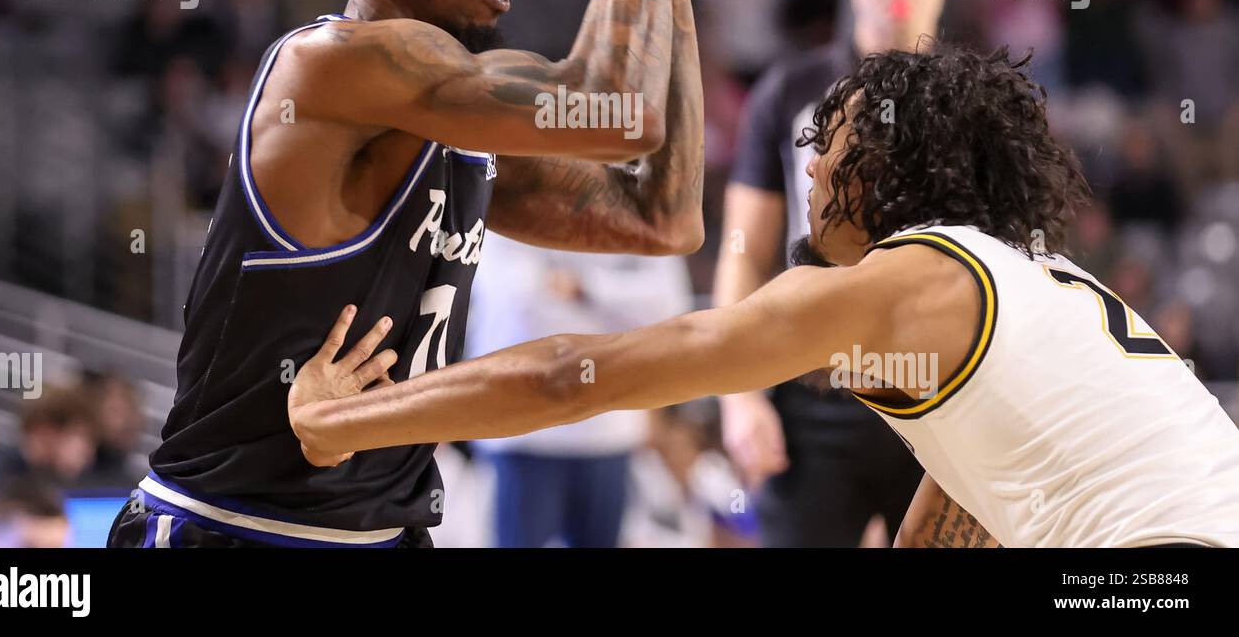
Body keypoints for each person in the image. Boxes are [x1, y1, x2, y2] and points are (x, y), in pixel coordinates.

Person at [108, 0, 708, 548]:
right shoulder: (333, 67)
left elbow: (662, 220)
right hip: (238, 527)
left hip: (384, 532)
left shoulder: (458, 117)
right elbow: (617, 113)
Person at [290, 45, 1239, 548]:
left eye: (832, 138)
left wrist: (353, 422)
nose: (811, 159)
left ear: (888, 171)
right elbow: (957, 520)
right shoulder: (1027, 287)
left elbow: (576, 379)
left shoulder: (904, 280)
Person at [716, 0, 956, 546]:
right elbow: (743, 248)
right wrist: (739, 395)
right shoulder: (789, 90)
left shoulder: (981, 103)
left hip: (947, 394)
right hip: (816, 388)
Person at [467, 231, 693, 547]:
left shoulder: (636, 207)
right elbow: (517, 304)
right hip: (522, 435)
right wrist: (613, 315)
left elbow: (668, 304)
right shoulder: (507, 202)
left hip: (609, 433)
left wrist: (584, 287)